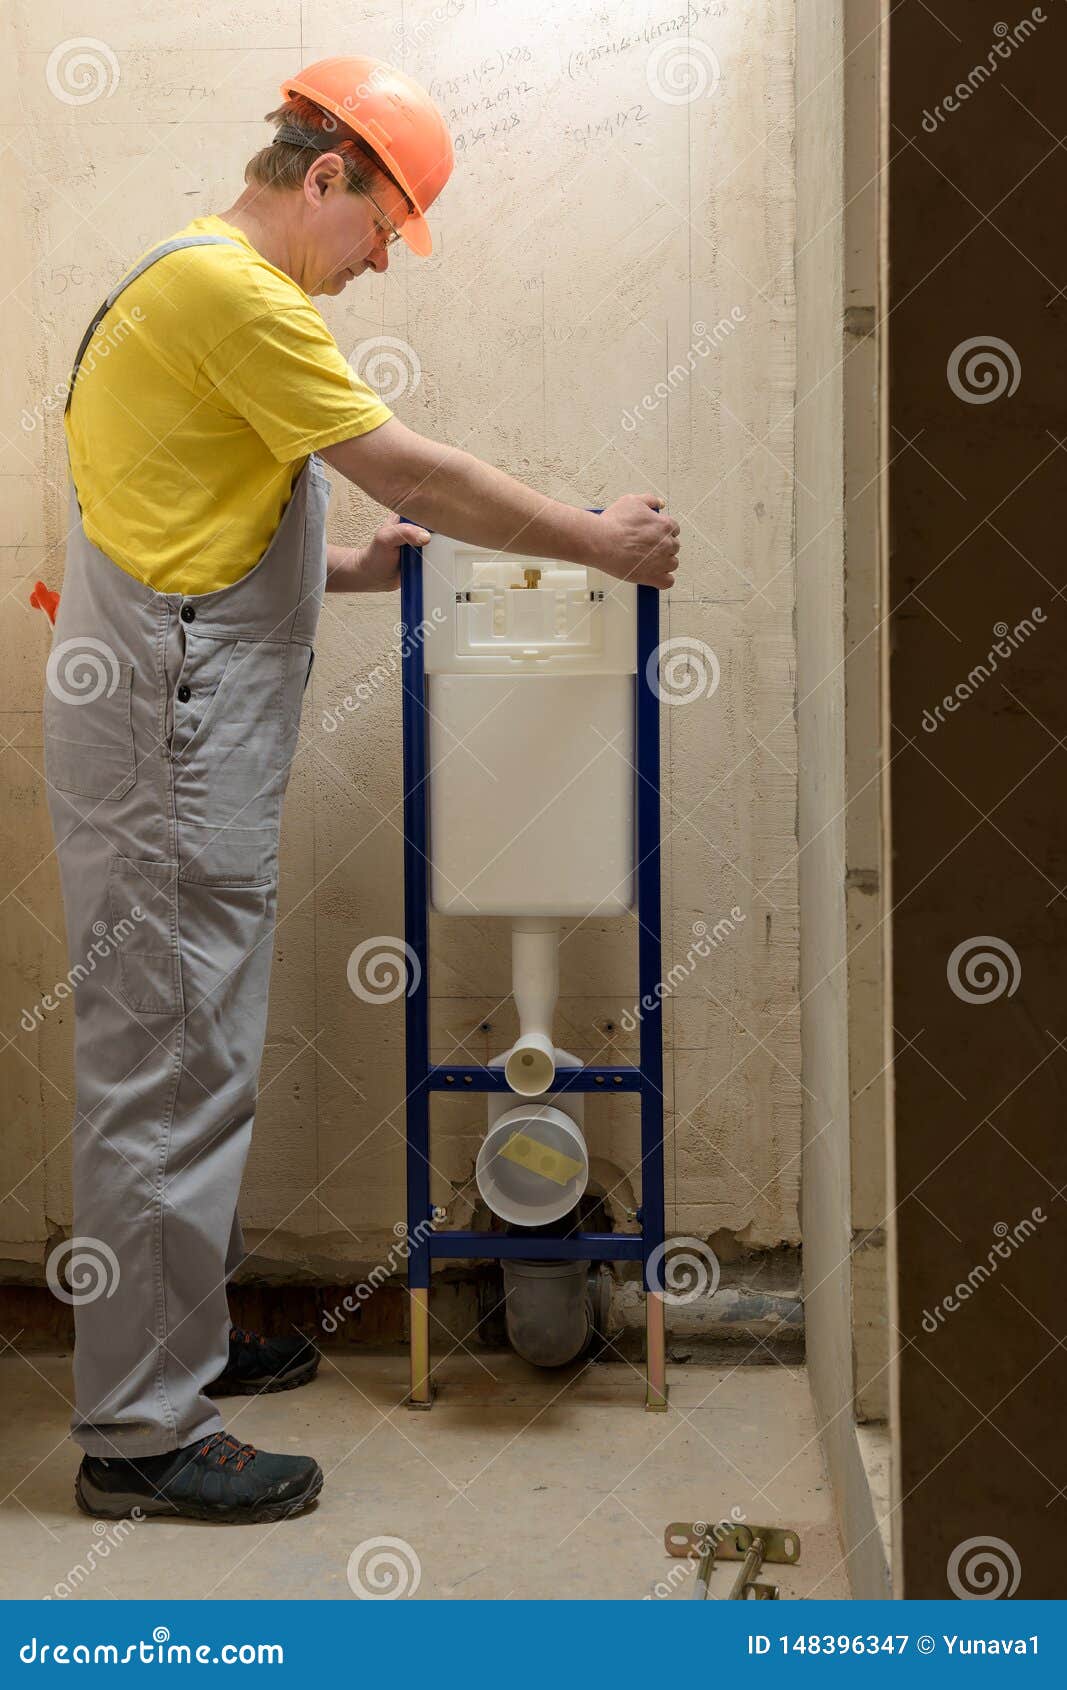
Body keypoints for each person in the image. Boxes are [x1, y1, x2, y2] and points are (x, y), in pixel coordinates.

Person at [41, 55, 680, 1526]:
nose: (383, 261)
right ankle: (137, 1431)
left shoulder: (176, 284)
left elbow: (181, 513)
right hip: (169, 734)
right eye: (384, 227)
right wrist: (599, 541)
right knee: (166, 1064)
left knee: (191, 1050)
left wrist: (346, 566)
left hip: (167, 717)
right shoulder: (238, 296)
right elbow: (415, 469)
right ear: (323, 177)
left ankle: (179, 1349)